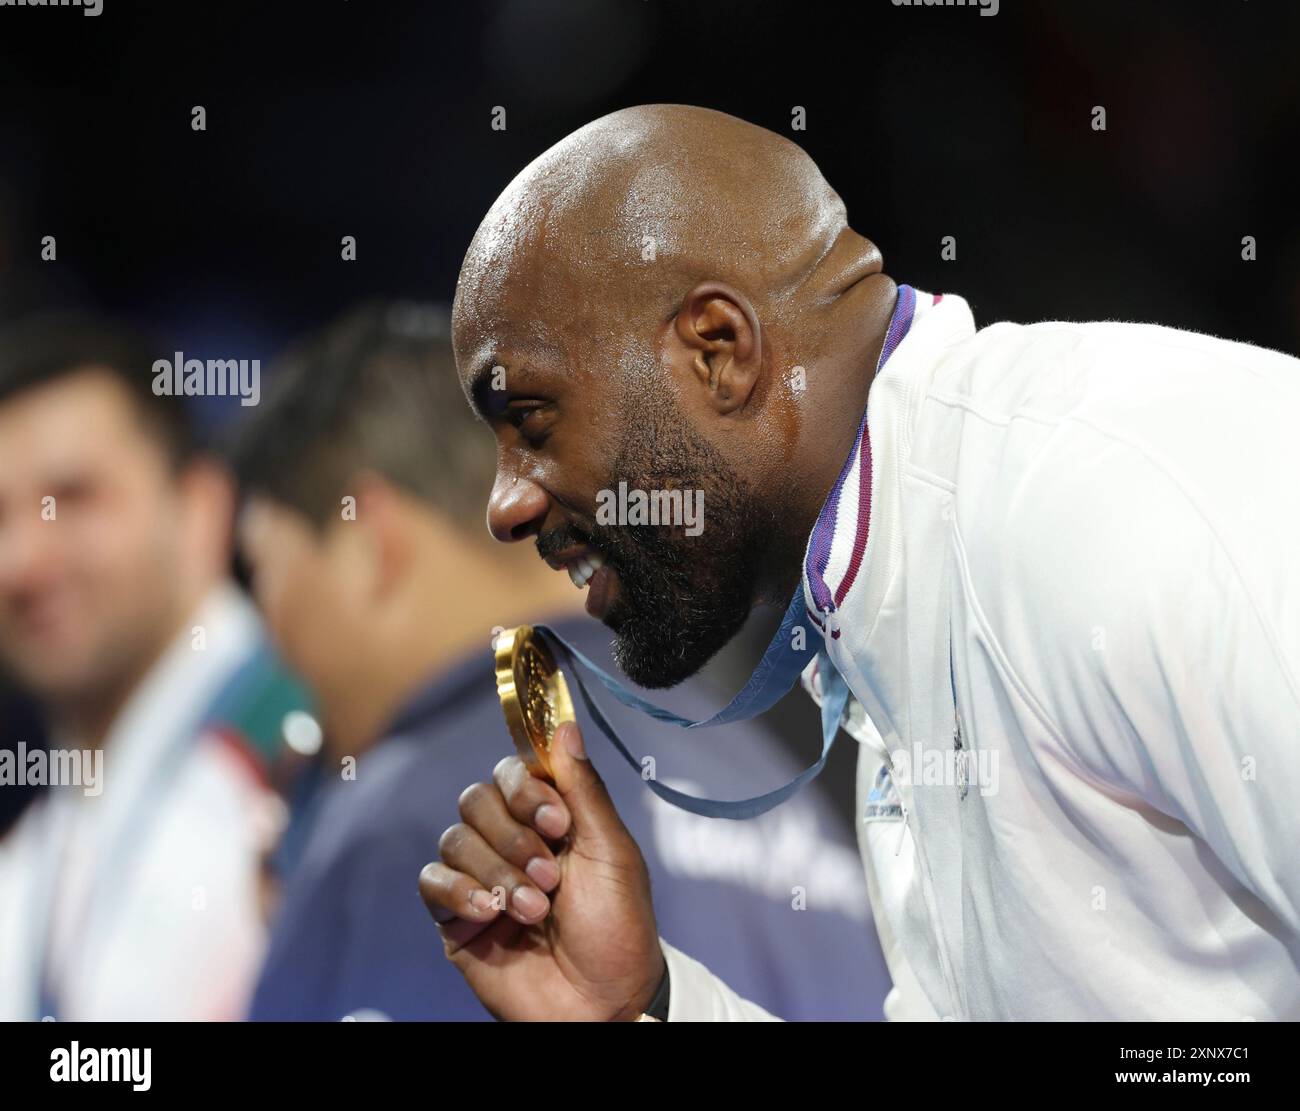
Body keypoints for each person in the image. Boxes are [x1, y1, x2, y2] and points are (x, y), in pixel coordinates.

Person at [421, 104, 1300, 1021]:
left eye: (531, 420)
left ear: (719, 352)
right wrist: (643, 1006)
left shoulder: (1095, 494)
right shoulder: (892, 594)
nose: (506, 505)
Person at [231, 301, 888, 1021]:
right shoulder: (769, 780)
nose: (265, 637)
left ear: (369, 542)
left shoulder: (415, 830)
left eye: (262, 573)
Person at [0, 314, 300, 1020]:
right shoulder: (32, 857)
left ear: (201, 507)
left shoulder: (310, 751)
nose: (22, 563)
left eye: (73, 498)